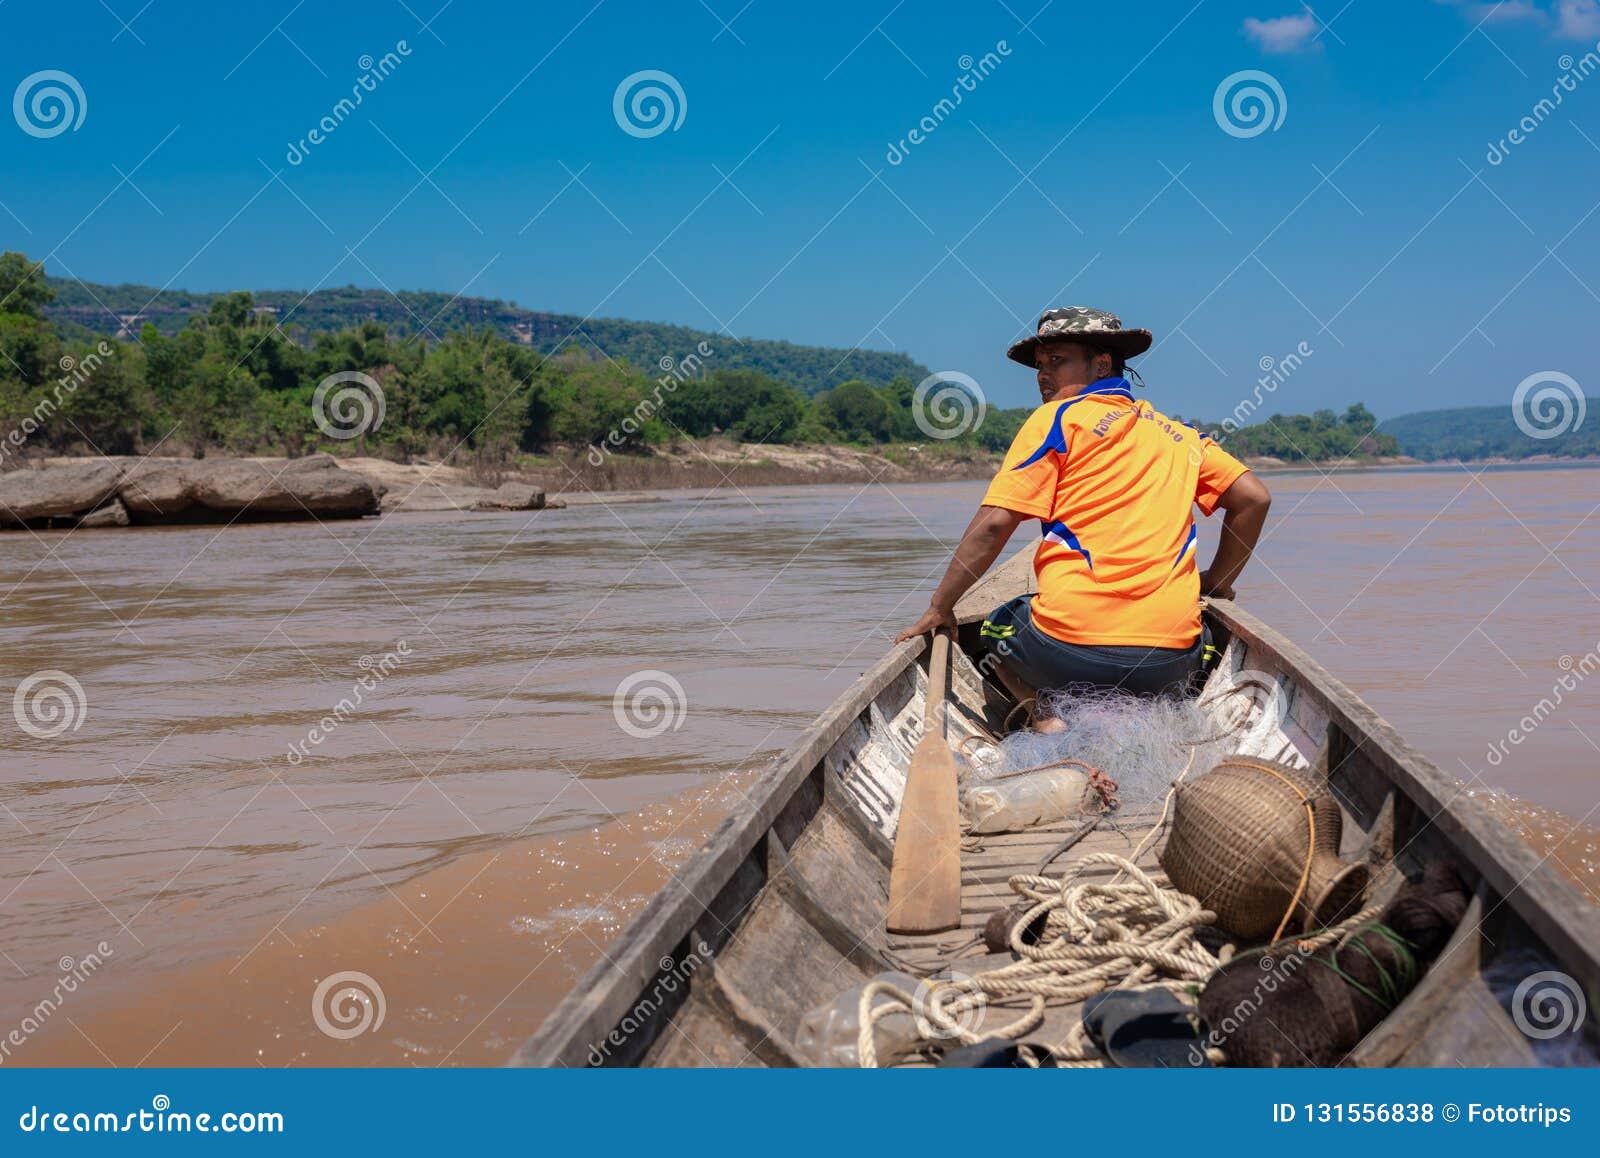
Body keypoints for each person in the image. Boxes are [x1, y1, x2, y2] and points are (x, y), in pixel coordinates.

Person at [894, 306, 1272, 709]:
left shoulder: (1054, 419)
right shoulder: (1181, 436)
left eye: (1057, 360)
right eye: (1039, 365)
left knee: (996, 628)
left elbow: (994, 525)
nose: (1043, 374)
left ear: (1102, 364)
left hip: (1067, 655)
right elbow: (1254, 498)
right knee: (1206, 637)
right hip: (1167, 664)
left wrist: (940, 608)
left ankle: (1043, 718)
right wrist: (1216, 581)